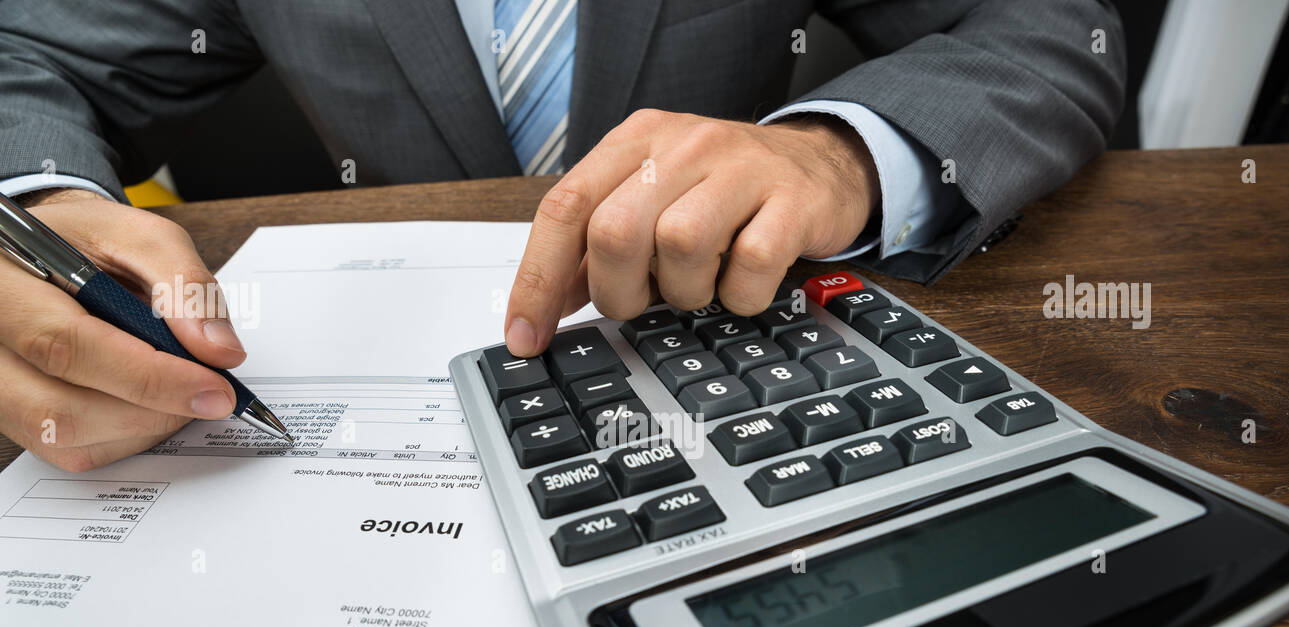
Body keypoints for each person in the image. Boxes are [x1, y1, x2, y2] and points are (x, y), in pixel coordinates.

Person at [0, 0, 1125, 471]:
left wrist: (829, 155)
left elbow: (1045, 28)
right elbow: (25, 51)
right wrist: (42, 206)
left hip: (724, 370)